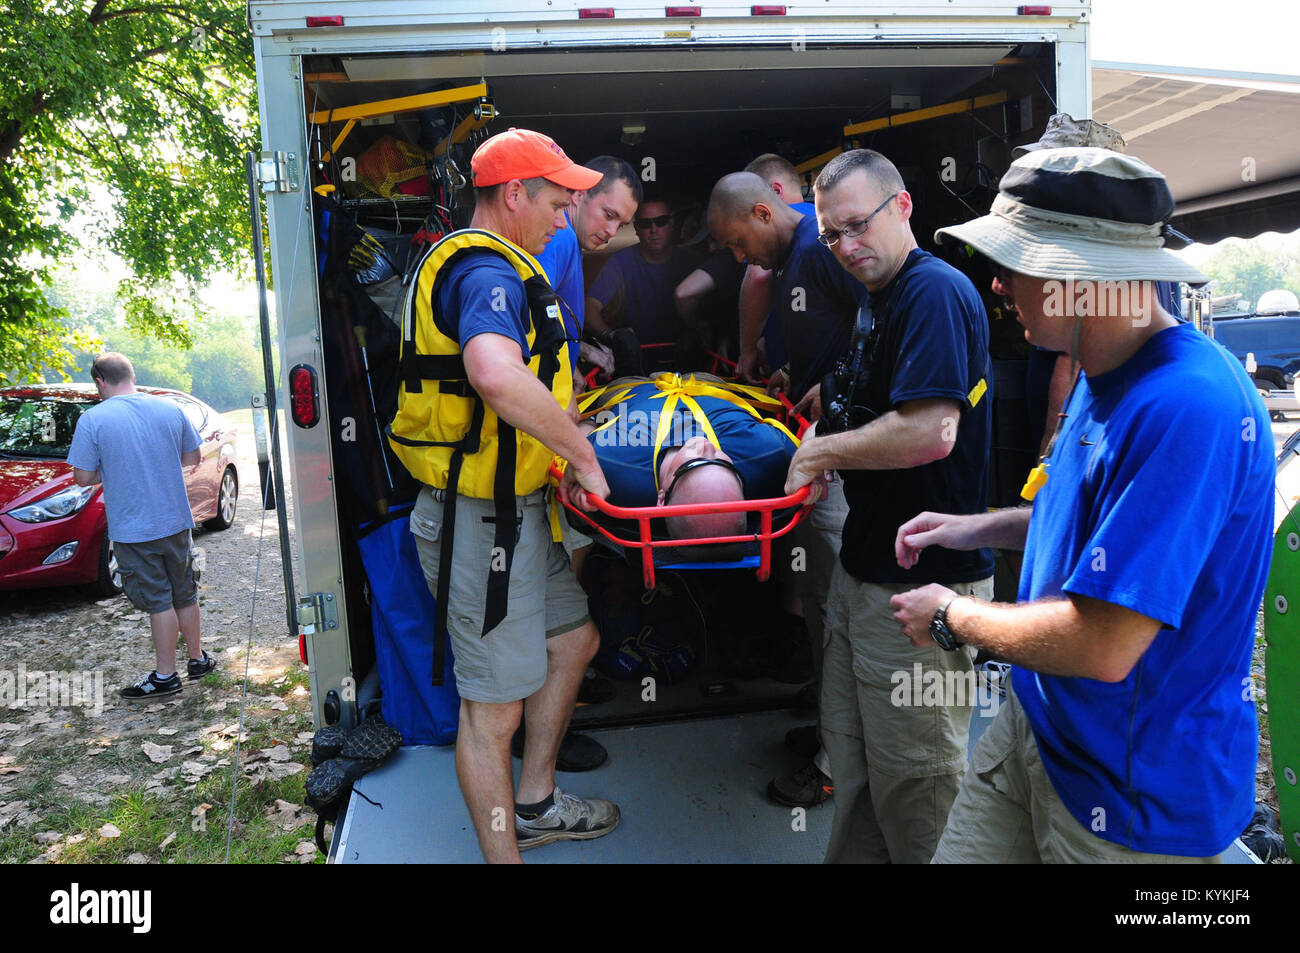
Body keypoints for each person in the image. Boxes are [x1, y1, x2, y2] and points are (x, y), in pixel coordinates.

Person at [889, 147, 1271, 863]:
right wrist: (977, 525)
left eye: (1015, 264)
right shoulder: (1104, 369)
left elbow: (1102, 644)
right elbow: (1101, 539)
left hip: (1129, 801)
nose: (999, 284)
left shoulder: (1187, 406)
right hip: (1040, 730)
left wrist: (952, 613)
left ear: (1081, 275)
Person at [386, 127, 618, 863]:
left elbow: (514, 388)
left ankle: (538, 801)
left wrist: (575, 421)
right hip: (478, 528)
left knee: (573, 640)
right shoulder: (483, 274)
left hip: (517, 516)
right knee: (493, 714)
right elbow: (491, 370)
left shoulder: (506, 267)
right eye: (556, 201)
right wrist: (581, 456)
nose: (564, 218)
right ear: (514, 194)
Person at [783, 148, 994, 863]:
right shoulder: (878, 300)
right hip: (865, 574)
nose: (845, 247)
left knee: (920, 785)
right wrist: (825, 416)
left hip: (920, 589)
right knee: (860, 769)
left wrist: (817, 455)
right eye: (830, 235)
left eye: (856, 225)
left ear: (902, 206)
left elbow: (931, 431)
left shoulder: (933, 292)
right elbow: (860, 403)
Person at [707, 169, 864, 806]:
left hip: (845, 456)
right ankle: (833, 733)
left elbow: (883, 317)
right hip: (821, 440)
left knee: (840, 609)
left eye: (739, 243)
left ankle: (836, 762)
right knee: (822, 604)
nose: (741, 258)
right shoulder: (801, 253)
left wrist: (842, 382)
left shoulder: (822, 248)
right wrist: (793, 373)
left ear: (763, 213)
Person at [67, 353, 216, 702]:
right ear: (132, 376)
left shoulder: (94, 419)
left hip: (135, 527)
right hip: (176, 520)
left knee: (158, 599)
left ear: (100, 381)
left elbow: (83, 477)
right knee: (185, 590)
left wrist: (114, 470)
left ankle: (165, 675)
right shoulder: (169, 409)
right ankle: (197, 659)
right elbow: (194, 458)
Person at [571, 373, 798, 540]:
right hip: (707, 386)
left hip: (636, 393)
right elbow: (811, 444)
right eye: (725, 465)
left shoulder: (613, 464)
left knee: (619, 384)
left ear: (661, 498)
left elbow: (580, 435)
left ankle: (628, 366)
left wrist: (581, 443)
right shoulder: (769, 455)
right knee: (706, 372)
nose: (705, 447)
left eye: (695, 463)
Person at [534, 156, 641, 388]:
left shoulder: (570, 240)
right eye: (609, 215)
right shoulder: (558, 237)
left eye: (621, 225)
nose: (612, 231)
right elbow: (533, 314)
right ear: (579, 194)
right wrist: (570, 366)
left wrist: (581, 354)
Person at [586, 197, 694, 371]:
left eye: (661, 221)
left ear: (671, 223)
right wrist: (611, 335)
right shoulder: (621, 262)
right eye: (645, 224)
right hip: (636, 366)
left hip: (686, 366)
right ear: (636, 228)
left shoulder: (689, 261)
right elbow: (590, 307)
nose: (654, 230)